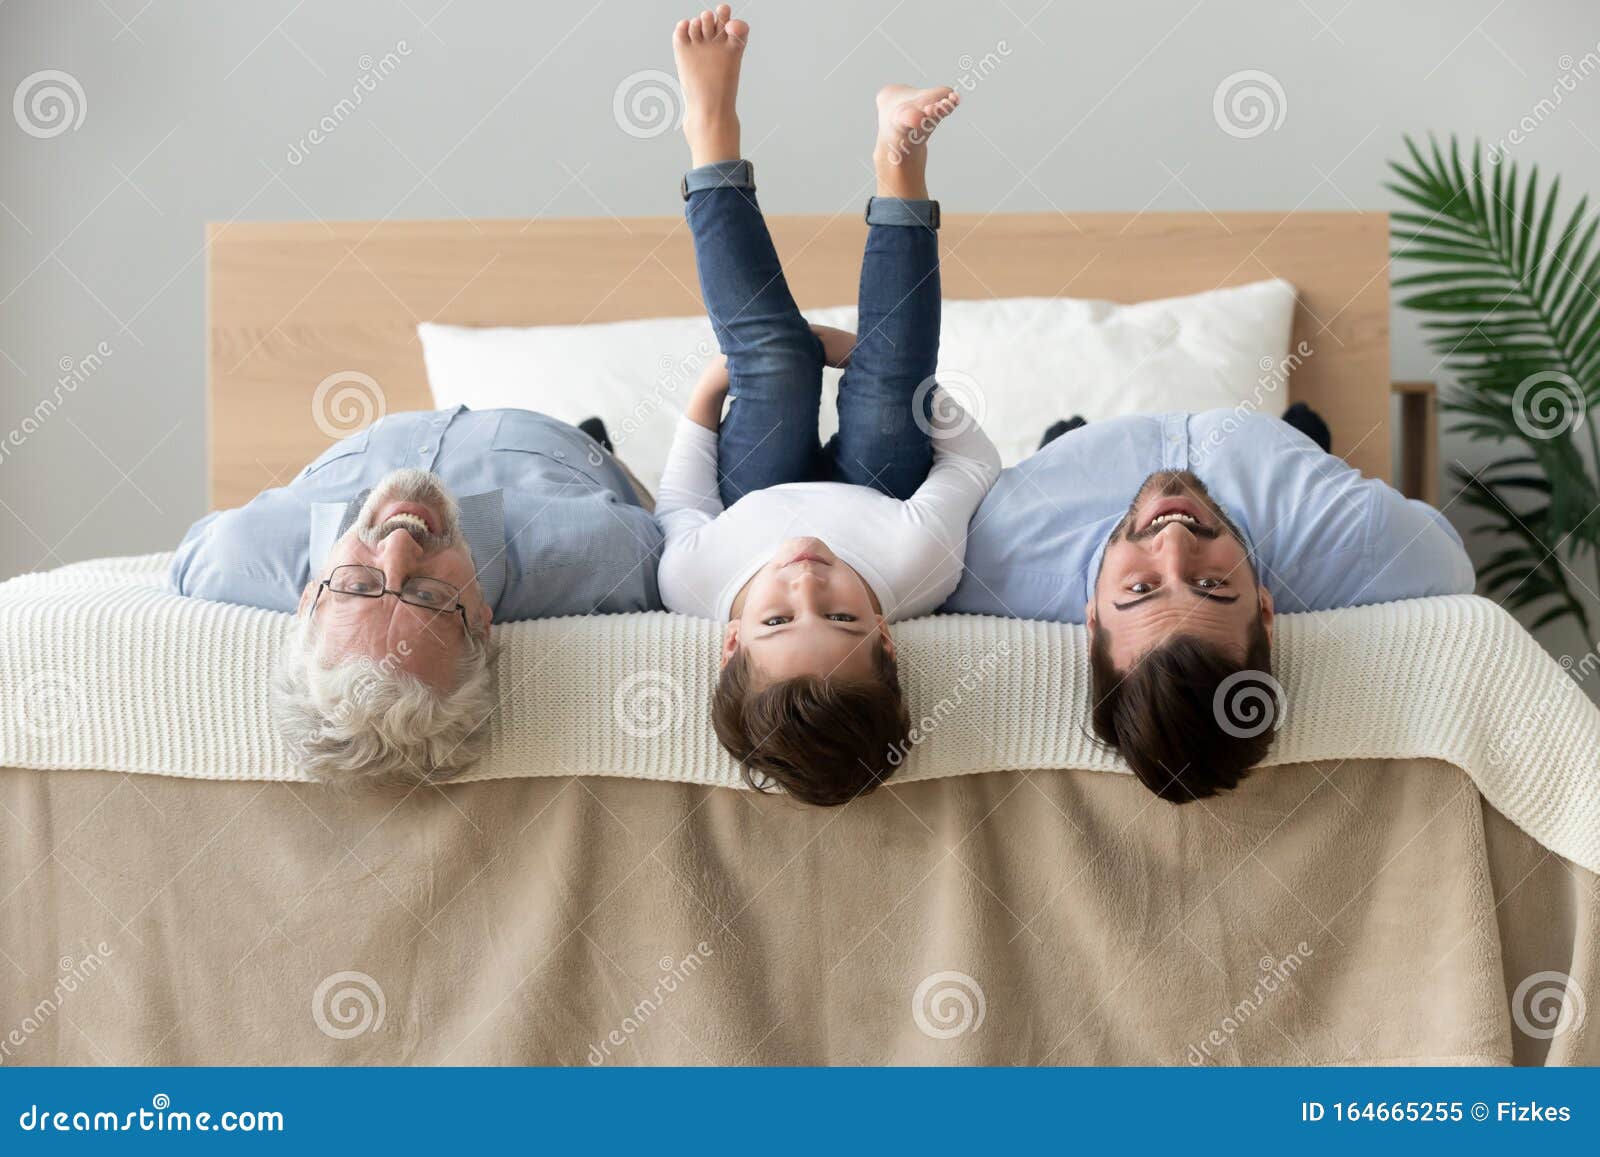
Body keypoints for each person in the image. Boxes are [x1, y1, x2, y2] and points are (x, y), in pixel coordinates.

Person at [654, 6, 1001, 806]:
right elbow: (974, 463)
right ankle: (900, 159)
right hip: (878, 486)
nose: (805, 580)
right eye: (841, 618)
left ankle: (709, 129)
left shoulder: (694, 582)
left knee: (775, 361)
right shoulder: (916, 564)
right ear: (886, 636)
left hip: (756, 483)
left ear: (730, 642)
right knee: (896, 389)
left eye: (777, 619)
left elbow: (682, 499)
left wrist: (705, 395)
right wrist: (860, 357)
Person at [941, 409, 1476, 802]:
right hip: (1269, 446)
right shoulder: (1355, 536)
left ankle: (1060, 441)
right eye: (1212, 583)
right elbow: (1452, 561)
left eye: (1141, 589)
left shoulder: (987, 555)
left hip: (1068, 468)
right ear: (1266, 611)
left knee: (1060, 438)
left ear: (1091, 617)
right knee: (1308, 431)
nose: (1174, 541)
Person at [170, 408, 662, 787]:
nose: (400, 545)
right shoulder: (602, 552)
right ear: (482, 622)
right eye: (427, 595)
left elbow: (188, 559)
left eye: (358, 586)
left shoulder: (233, 559)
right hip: (553, 437)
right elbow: (664, 539)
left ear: (309, 600)